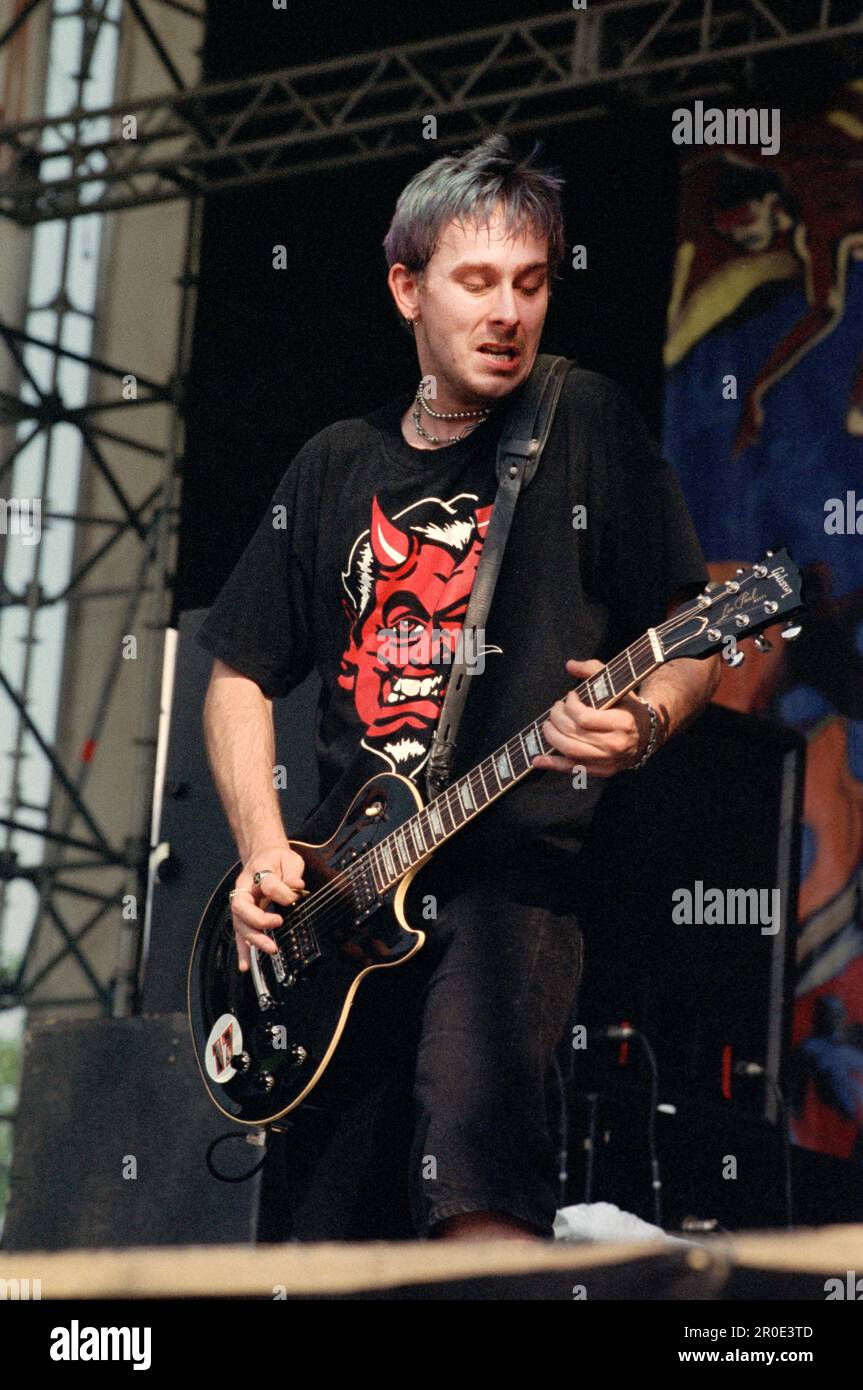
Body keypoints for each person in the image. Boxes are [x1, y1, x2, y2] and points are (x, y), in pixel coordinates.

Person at [196, 134, 720, 1243]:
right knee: (319, 1238)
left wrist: (641, 722)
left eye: (529, 284)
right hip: (339, 911)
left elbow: (692, 632)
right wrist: (259, 849)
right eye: (476, 281)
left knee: (475, 1187)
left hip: (507, 884)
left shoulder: (581, 426)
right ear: (406, 288)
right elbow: (239, 672)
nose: (507, 312)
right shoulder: (336, 463)